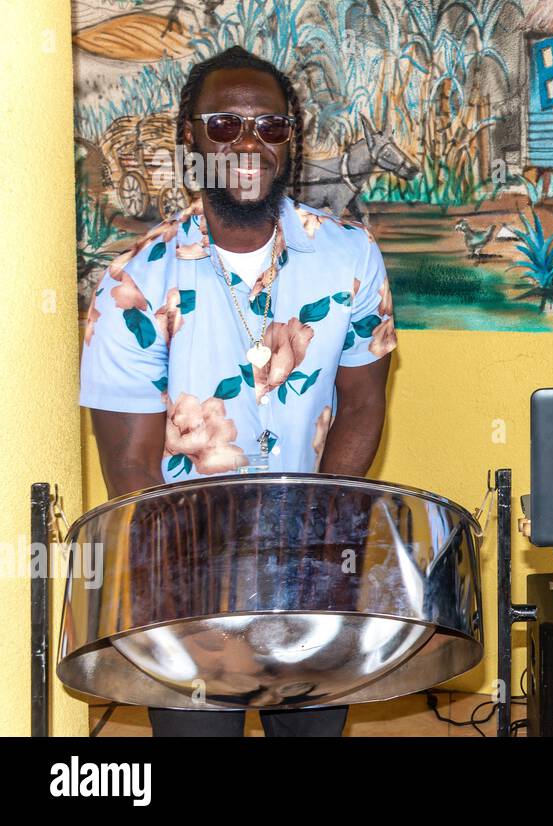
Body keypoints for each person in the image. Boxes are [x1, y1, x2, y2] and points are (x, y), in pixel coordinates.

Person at [80, 45, 397, 735]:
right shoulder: (134, 283)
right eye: (223, 125)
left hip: (312, 568)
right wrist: (199, 589)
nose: (248, 143)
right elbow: (130, 470)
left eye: (270, 126)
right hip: (187, 578)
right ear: (188, 140)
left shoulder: (351, 259)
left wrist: (320, 531)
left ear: (293, 140)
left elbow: (365, 404)